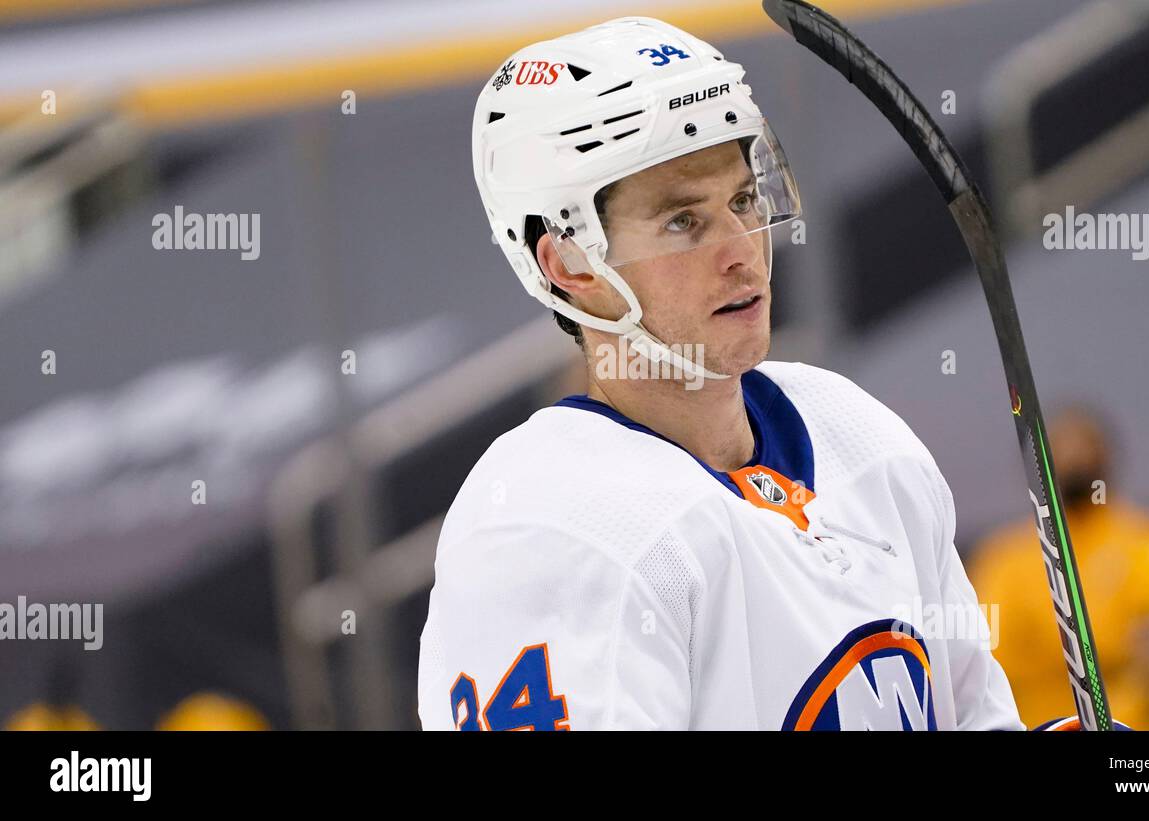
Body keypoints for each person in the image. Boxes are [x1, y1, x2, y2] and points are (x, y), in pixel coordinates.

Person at [417, 16, 1022, 730]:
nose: (743, 251)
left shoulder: (857, 434)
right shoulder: (545, 527)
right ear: (570, 264)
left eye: (741, 201)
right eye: (683, 221)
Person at [970, 405, 1149, 728]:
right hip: (1035, 721)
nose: (1073, 458)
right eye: (1060, 447)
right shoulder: (1003, 556)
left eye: (1083, 445)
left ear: (1107, 454)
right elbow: (989, 660)